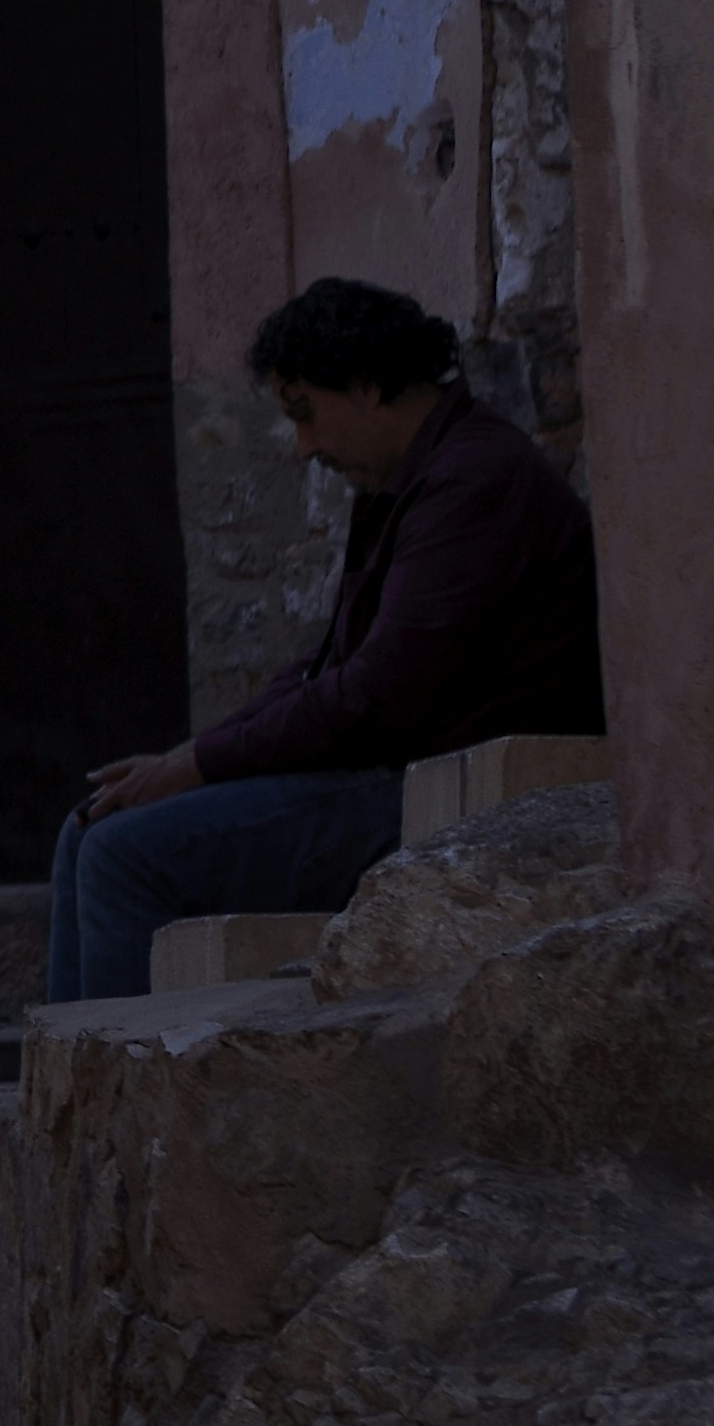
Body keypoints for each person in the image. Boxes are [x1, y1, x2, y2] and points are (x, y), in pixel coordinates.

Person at [39, 277, 602, 1006]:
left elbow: (376, 698)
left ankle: (117, 1073)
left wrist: (200, 766)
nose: (304, 447)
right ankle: (66, 1071)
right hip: (391, 771)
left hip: (451, 796)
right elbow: (324, 669)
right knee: (86, 828)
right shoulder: (404, 483)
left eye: (306, 414)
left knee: (122, 855)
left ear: (366, 386)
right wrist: (184, 760)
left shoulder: (473, 480)